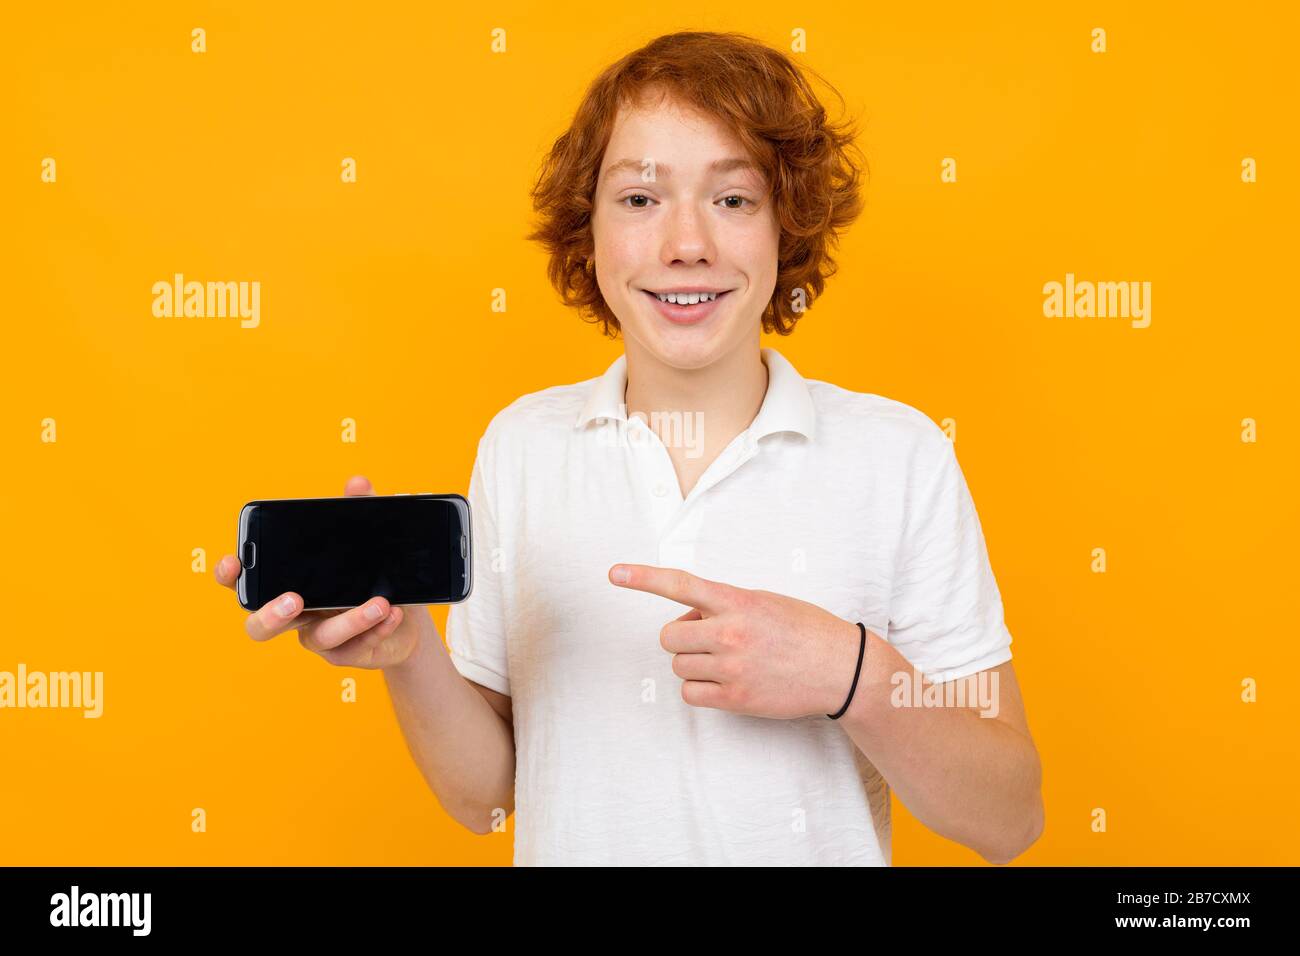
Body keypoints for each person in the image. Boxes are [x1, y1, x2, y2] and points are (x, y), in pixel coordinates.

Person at [216, 30, 1043, 866]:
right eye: (640, 200)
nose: (687, 244)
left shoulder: (898, 457)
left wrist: (852, 676)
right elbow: (487, 797)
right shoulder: (524, 447)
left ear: (785, 226)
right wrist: (408, 654)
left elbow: (1009, 819)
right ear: (591, 231)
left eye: (733, 198)